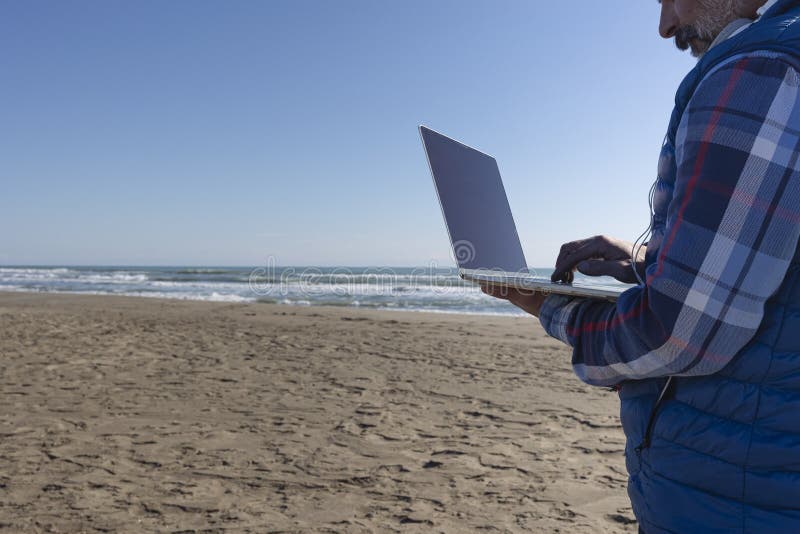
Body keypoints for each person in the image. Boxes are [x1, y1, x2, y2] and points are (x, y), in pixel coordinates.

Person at [482, 0, 800, 532]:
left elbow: (681, 332)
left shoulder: (760, 68)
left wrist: (547, 307)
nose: (665, 25)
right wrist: (647, 265)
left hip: (737, 496)